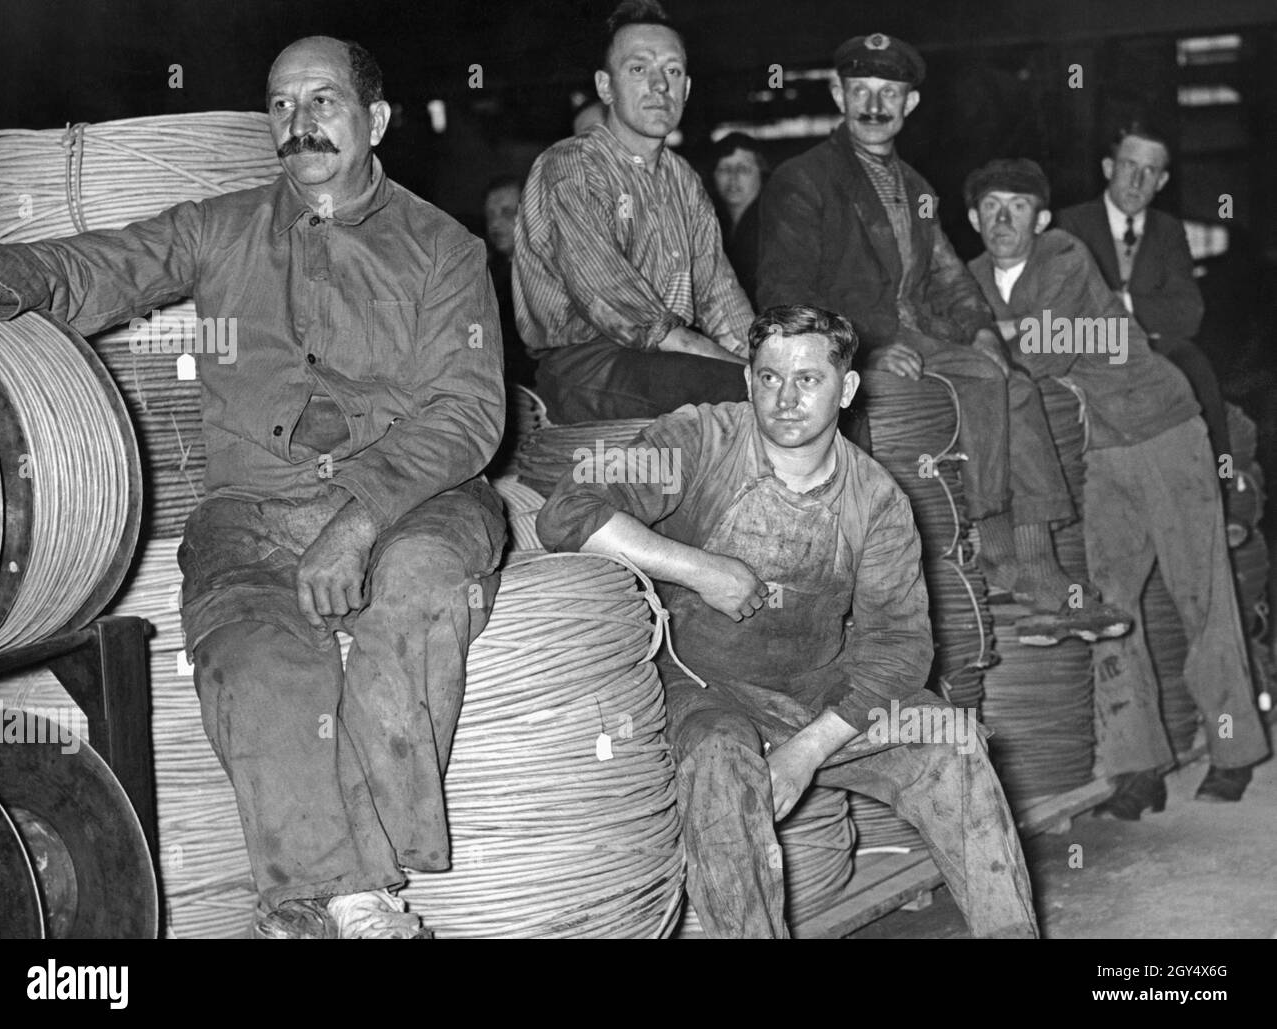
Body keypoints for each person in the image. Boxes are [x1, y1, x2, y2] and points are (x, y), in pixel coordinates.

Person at [0, 36, 509, 938]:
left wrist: (358, 517)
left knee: (415, 593)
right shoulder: (221, 228)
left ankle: (358, 890)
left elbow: (466, 414)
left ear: (375, 121)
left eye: (323, 103)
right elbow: (100, 266)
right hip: (252, 512)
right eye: (281, 105)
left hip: (419, 496)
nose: (300, 125)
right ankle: (340, 900)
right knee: (254, 660)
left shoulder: (444, 250)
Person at [537, 304, 1039, 939]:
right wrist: (700, 569)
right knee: (721, 763)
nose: (786, 398)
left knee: (950, 742)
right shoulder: (697, 441)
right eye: (769, 377)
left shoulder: (877, 499)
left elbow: (899, 649)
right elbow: (566, 513)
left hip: (812, 688)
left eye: (808, 379)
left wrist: (806, 751)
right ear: (747, 380)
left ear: (847, 389)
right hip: (695, 682)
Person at [758, 32, 1127, 645]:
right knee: (988, 379)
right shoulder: (805, 181)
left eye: (890, 93)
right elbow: (787, 291)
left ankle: (1037, 567)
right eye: (861, 91)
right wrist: (868, 342)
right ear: (836, 94)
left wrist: (981, 330)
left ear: (911, 104)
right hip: (850, 339)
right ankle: (1001, 551)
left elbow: (950, 279)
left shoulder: (918, 188)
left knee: (1012, 382)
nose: (875, 105)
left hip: (917, 332)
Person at [964, 158, 1269, 815]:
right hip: (1101, 452)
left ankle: (1233, 749)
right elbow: (959, 348)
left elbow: (1040, 352)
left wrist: (992, 338)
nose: (1003, 219)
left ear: (1040, 217)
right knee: (1108, 602)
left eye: (1017, 206)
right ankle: (1138, 768)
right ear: (972, 219)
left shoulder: (1066, 255)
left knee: (1201, 593)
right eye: (990, 207)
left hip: (1164, 428)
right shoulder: (972, 281)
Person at [513, 0, 752, 424]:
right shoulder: (571, 165)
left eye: (673, 71)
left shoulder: (684, 179)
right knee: (737, 391)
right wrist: (744, 371)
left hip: (670, 359)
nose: (659, 86)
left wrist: (768, 360)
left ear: (687, 89)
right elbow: (615, 303)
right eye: (638, 69)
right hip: (586, 366)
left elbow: (719, 295)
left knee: (810, 394)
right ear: (606, 87)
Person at [1054, 124, 1247, 544]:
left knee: (1198, 373)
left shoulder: (1168, 231)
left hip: (1157, 344)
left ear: (1161, 181)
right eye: (1128, 166)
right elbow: (1064, 301)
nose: (1137, 180)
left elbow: (1188, 311)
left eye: (1149, 171)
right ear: (1109, 167)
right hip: (1091, 345)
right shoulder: (1070, 223)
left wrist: (1121, 303)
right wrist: (1126, 311)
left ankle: (1221, 498)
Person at [483, 174, 536, 386]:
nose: (495, 224)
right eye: (489, 216)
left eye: (507, 213)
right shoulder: (488, 275)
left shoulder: (549, 278)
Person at [712, 131, 767, 299]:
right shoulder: (715, 225)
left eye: (743, 169)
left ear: (761, 173)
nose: (733, 178)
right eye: (724, 169)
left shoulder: (770, 224)